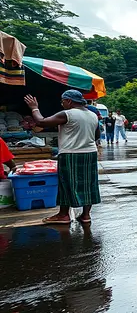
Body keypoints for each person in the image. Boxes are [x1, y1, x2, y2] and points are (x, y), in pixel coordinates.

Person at [24, 90, 100, 225]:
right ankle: (86, 215)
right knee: (89, 184)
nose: (62, 104)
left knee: (66, 183)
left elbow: (41, 122)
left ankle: (63, 215)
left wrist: (34, 108)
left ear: (69, 101)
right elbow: (97, 135)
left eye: (63, 101)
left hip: (70, 153)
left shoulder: (67, 114)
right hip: (90, 153)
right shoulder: (93, 115)